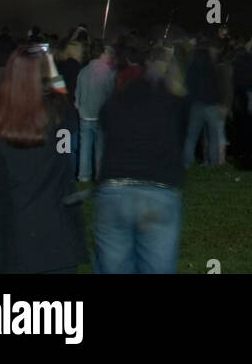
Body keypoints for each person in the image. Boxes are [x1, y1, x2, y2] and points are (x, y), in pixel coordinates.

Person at [0, 44, 85, 274]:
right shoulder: (60, 112)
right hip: (55, 232)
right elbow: (66, 144)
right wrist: (52, 68)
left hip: (8, 229)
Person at [95, 43, 189, 273]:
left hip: (116, 187)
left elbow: (105, 123)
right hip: (158, 188)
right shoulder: (174, 101)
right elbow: (182, 136)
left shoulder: (119, 97)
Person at [184, 39, 229, 168]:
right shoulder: (212, 66)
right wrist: (220, 102)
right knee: (213, 136)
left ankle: (188, 162)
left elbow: (188, 84)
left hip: (196, 104)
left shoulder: (192, 65)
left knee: (191, 136)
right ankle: (213, 163)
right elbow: (218, 86)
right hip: (211, 105)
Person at [75, 43, 116, 181]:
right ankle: (99, 175)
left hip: (85, 114)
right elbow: (110, 93)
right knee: (100, 147)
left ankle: (83, 175)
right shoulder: (106, 72)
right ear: (101, 54)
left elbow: (78, 93)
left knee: (85, 147)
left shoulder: (83, 71)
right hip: (100, 114)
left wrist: (79, 108)